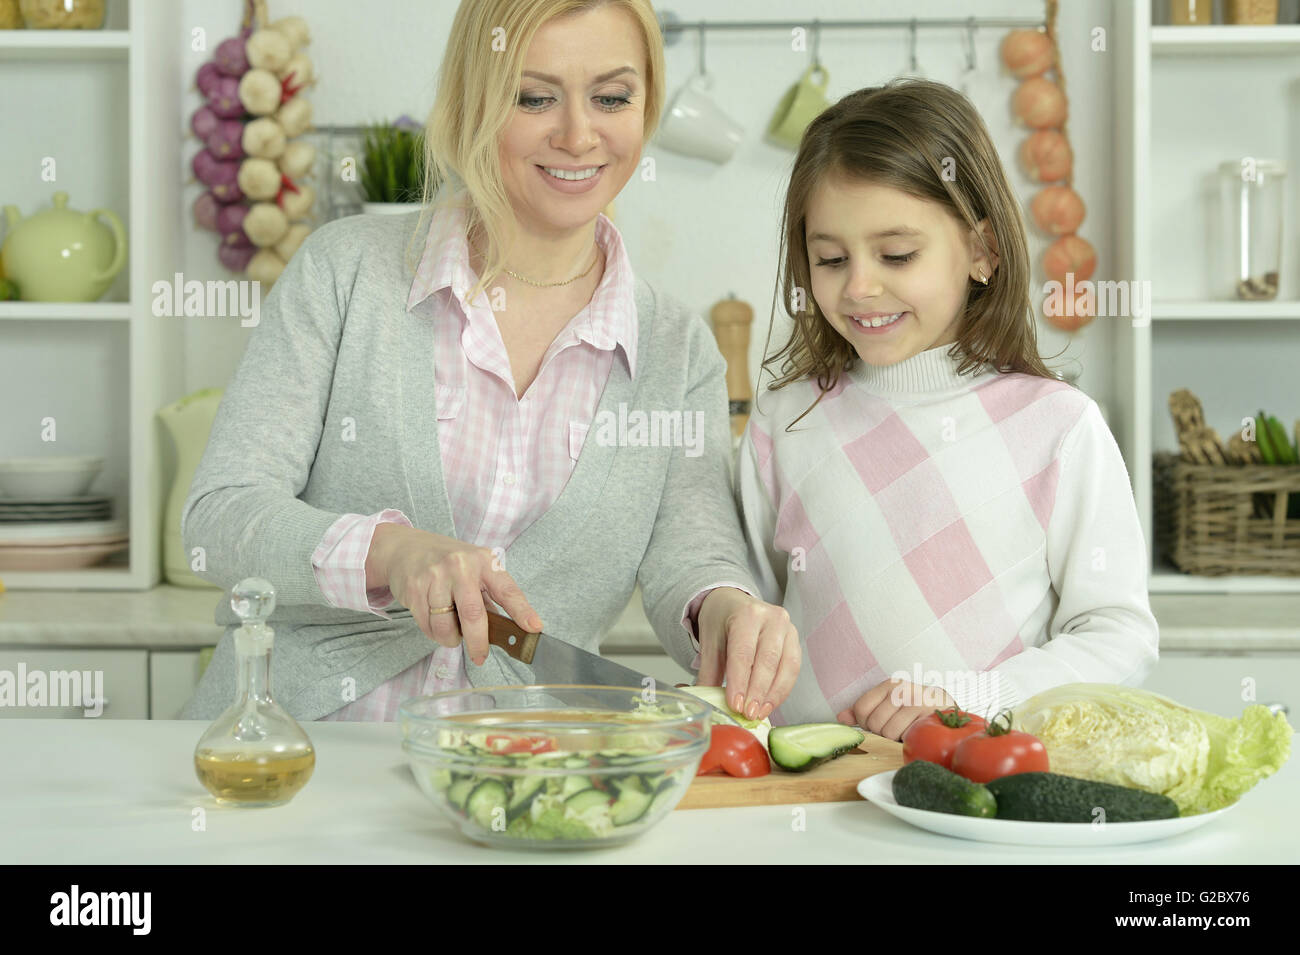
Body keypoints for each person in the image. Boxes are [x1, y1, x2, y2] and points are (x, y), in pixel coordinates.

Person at [179, 0, 800, 723]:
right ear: (475, 99)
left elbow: (692, 556)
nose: (578, 134)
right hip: (292, 758)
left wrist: (726, 610)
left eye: (612, 97)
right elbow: (218, 519)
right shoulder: (343, 273)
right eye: (533, 97)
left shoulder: (675, 348)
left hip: (523, 777)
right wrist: (393, 553)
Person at [734, 79, 1158, 741]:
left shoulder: (1059, 428)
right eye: (830, 258)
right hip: (805, 806)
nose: (860, 286)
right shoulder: (783, 423)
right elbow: (745, 623)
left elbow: (1118, 636)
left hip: (981, 805)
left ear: (983, 251)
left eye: (897, 254)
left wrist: (970, 698)